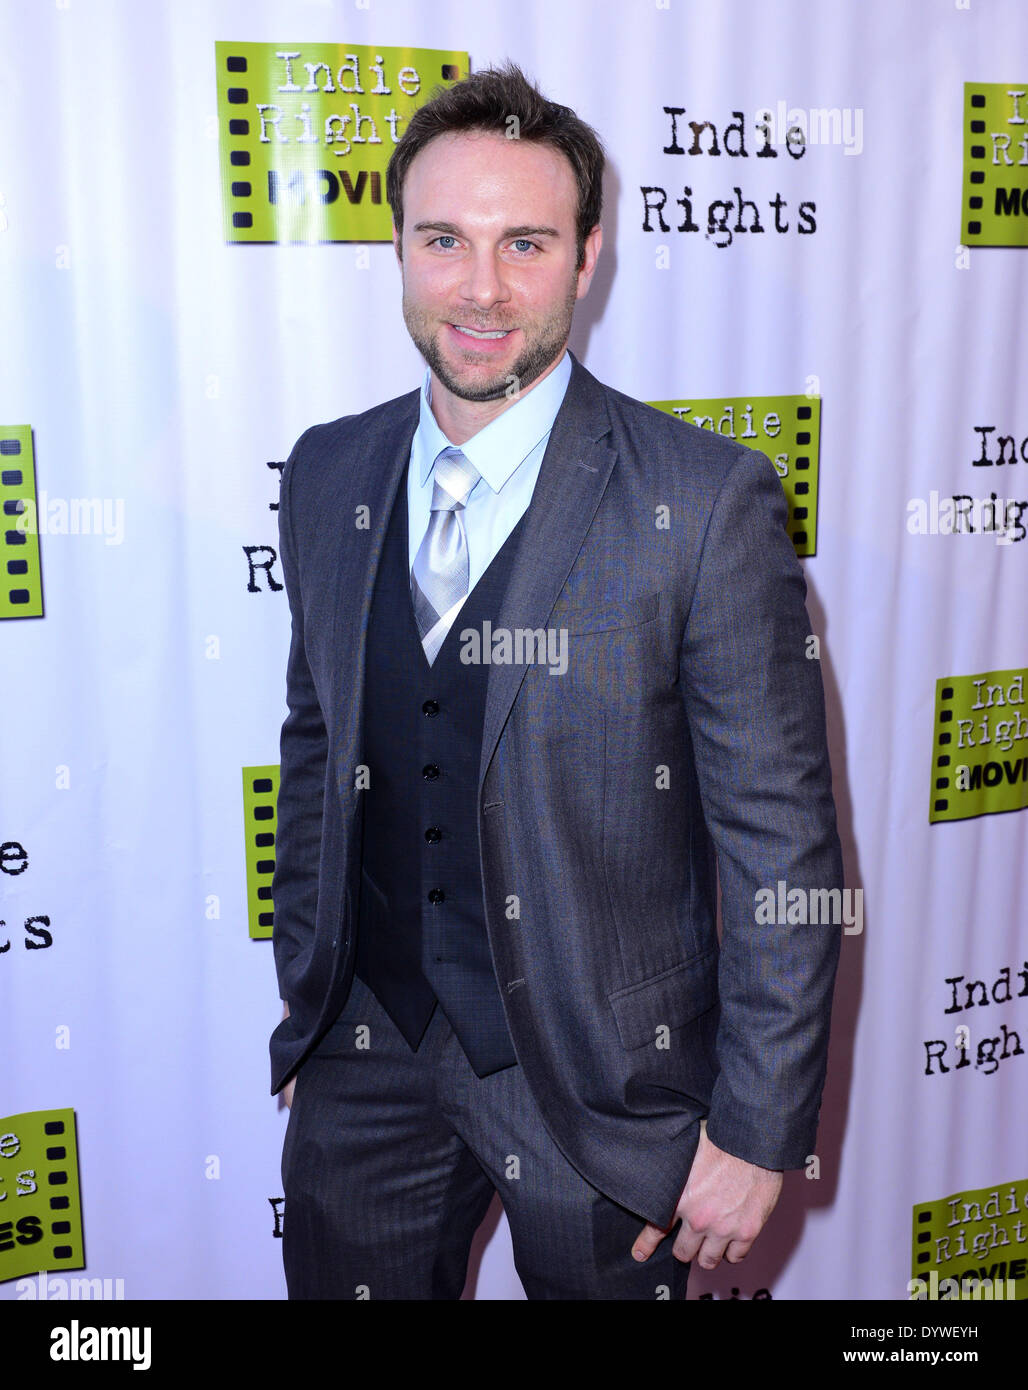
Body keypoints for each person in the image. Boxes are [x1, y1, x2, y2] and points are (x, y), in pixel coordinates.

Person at [269, 62, 843, 1301]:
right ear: (398, 249)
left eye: (523, 243)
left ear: (587, 259)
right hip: (367, 1053)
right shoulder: (326, 472)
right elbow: (315, 746)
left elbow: (782, 851)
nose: (480, 289)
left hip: (604, 1087)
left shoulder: (701, 503)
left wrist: (755, 1129)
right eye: (444, 240)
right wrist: (308, 996)